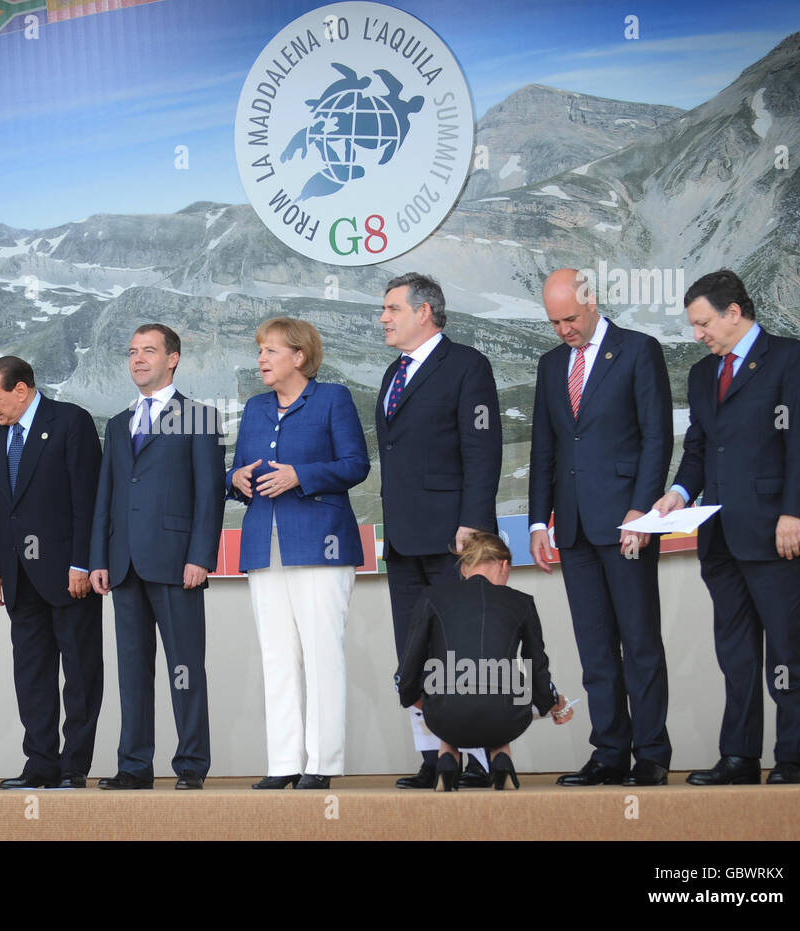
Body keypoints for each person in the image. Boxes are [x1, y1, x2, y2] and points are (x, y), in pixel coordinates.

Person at [652, 269, 800, 786]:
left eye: (703, 322)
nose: (697, 334)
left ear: (733, 312)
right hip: (721, 538)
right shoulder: (703, 375)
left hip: (776, 531)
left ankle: (791, 756)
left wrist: (794, 511)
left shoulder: (789, 358)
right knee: (737, 653)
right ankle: (740, 758)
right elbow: (701, 448)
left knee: (788, 649)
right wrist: (678, 493)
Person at [528, 269, 674, 787]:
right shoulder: (550, 365)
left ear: (592, 303)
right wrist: (536, 524)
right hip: (572, 528)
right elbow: (545, 448)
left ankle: (652, 754)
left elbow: (657, 436)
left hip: (626, 524)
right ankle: (609, 752)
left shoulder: (638, 350)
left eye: (570, 318)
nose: (563, 329)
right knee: (594, 650)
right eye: (554, 322)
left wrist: (643, 510)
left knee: (639, 643)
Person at [227, 317, 369, 790]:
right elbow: (238, 470)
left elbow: (355, 465)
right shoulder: (254, 408)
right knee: (277, 658)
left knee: (322, 655)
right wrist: (236, 480)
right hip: (263, 547)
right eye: (260, 351)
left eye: (270, 351)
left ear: (299, 356)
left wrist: (300, 475)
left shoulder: (332, 399)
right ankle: (285, 761)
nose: (261, 359)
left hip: (321, 544)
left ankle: (323, 764)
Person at [375, 273, 502, 789]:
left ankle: (473, 757)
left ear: (424, 312)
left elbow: (482, 448)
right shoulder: (392, 373)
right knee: (416, 651)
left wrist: (472, 523)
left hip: (455, 537)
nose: (383, 318)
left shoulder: (467, 365)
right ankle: (433, 758)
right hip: (404, 538)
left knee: (463, 649)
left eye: (391, 309)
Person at [90, 323, 225, 790]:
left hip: (176, 564)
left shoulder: (200, 417)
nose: (138, 359)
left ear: (173, 359)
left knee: (185, 668)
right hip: (123, 565)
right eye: (132, 352)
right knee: (132, 672)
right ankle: (134, 767)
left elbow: (210, 496)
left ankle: (190, 765)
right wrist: (98, 559)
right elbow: (105, 496)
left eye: (149, 351)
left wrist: (201, 557)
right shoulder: (117, 422)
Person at [0, 356, 104, 790]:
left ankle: (73, 767)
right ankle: (40, 765)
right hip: (17, 578)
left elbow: (87, 499)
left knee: (81, 674)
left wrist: (82, 562)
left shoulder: (71, 422)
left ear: (21, 389)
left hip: (70, 575)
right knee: (31, 675)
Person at [398, 532, 573, 790]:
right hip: (505, 720)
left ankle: (447, 756)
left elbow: (409, 666)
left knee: (446, 681)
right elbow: (536, 666)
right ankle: (501, 755)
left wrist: (417, 700)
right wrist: (552, 703)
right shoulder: (522, 602)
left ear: (465, 569)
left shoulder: (431, 598)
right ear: (504, 565)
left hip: (445, 718)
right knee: (506, 682)